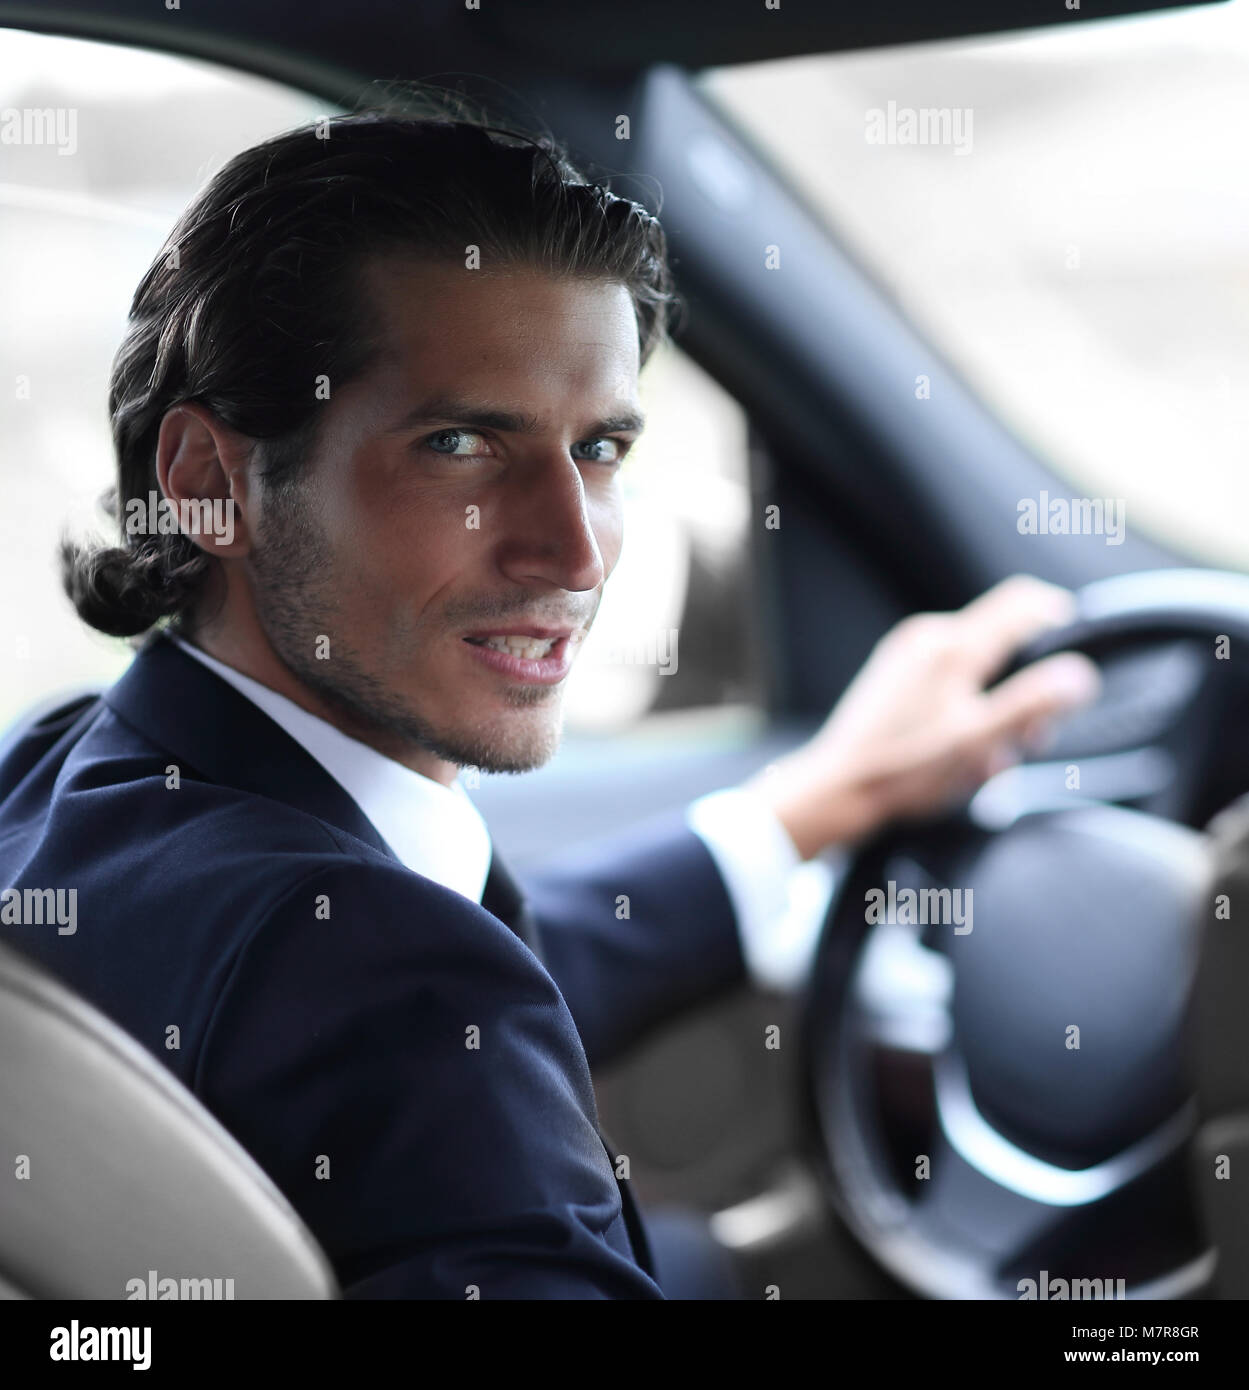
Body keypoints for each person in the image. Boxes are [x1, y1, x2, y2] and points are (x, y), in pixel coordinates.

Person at [0, 109, 1100, 1299]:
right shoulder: (388, 976)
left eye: (602, 449)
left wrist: (809, 809)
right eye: (462, 444)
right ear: (211, 484)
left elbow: (416, 968)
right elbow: (405, 985)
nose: (574, 552)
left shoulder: (65, 769)